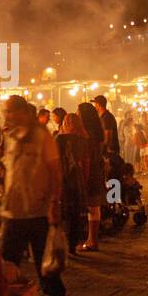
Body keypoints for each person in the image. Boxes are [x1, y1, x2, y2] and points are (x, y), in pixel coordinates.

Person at [0, 96, 64, 296]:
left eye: (10, 111)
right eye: (5, 112)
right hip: (13, 211)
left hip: (38, 209)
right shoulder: (10, 136)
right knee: (7, 261)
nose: (7, 116)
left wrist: (55, 202)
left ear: (23, 112)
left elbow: (55, 171)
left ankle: (54, 294)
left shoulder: (42, 136)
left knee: (42, 259)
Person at [55, 110, 90, 252]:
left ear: (65, 123)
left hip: (63, 178)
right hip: (77, 178)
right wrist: (84, 180)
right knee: (75, 213)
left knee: (63, 211)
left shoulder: (59, 139)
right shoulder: (83, 140)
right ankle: (72, 245)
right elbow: (86, 162)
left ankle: (61, 243)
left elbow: (55, 161)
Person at [76, 102, 106, 253]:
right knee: (94, 206)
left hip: (91, 171)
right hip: (96, 170)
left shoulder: (88, 136)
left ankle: (93, 241)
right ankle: (90, 239)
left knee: (93, 206)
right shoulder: (96, 133)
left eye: (78, 113)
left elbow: (87, 157)